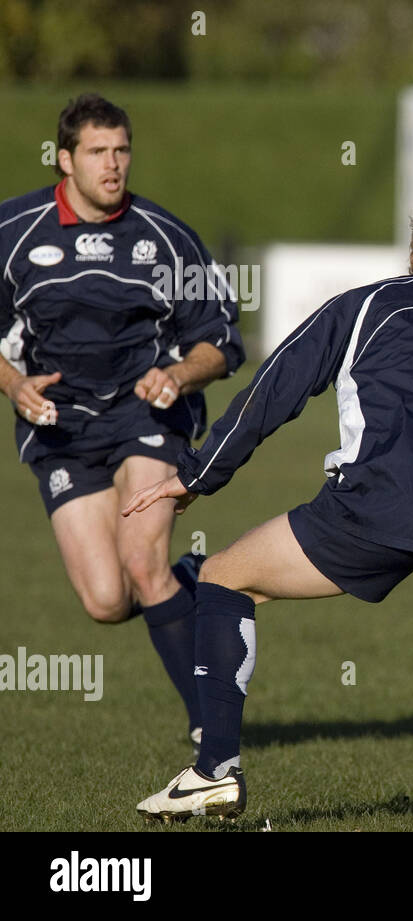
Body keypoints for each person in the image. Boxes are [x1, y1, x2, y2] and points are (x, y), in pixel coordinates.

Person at [125, 198, 413, 832]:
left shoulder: (369, 303)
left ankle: (215, 770)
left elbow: (276, 386)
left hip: (377, 502)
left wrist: (200, 476)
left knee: (223, 577)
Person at [0, 93, 244, 755]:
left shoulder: (165, 236)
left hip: (147, 415)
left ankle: (212, 733)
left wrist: (180, 376)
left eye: (122, 150)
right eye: (99, 152)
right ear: (65, 159)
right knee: (106, 600)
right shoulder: (14, 231)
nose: (114, 165)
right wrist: (14, 383)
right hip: (62, 430)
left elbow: (222, 342)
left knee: (142, 562)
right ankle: (192, 585)